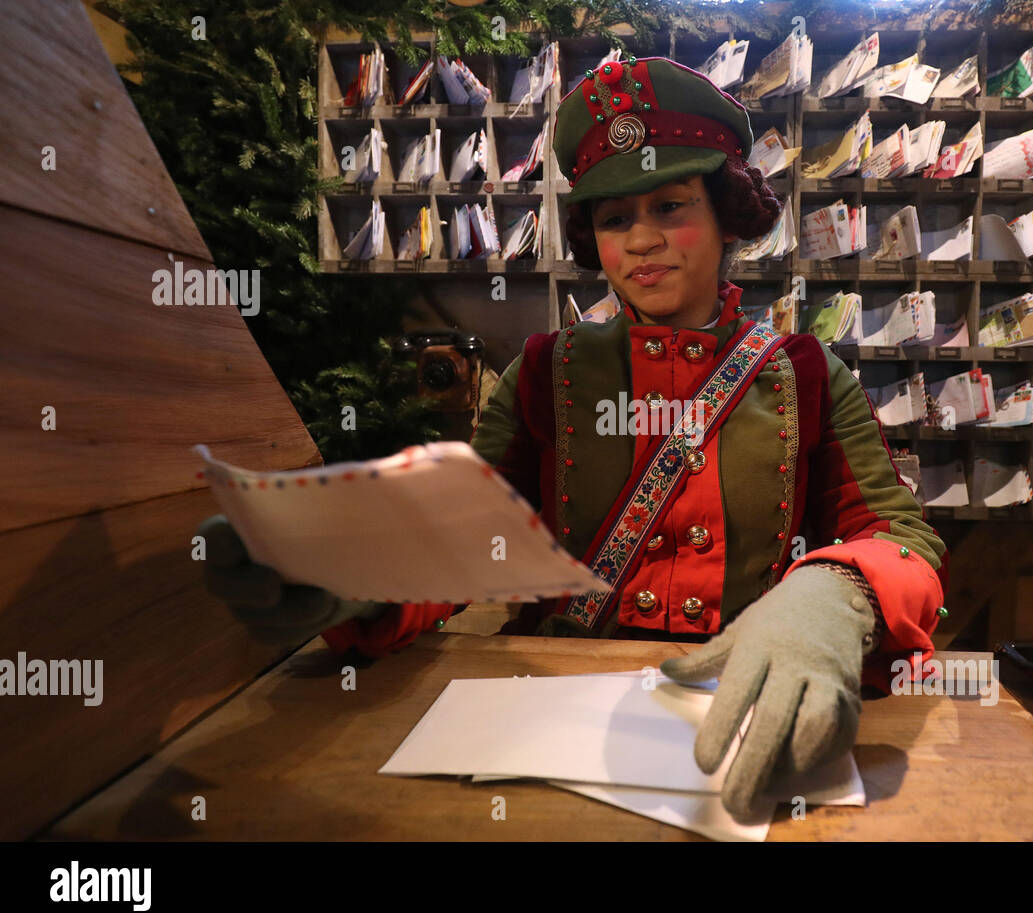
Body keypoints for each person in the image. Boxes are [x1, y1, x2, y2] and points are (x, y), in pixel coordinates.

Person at [202, 56, 948, 820]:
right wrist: (361, 568)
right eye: (616, 218)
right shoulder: (544, 369)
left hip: (733, 707)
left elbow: (900, 535)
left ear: (727, 213)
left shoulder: (804, 372)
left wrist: (832, 598)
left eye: (670, 206)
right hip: (550, 723)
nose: (644, 239)